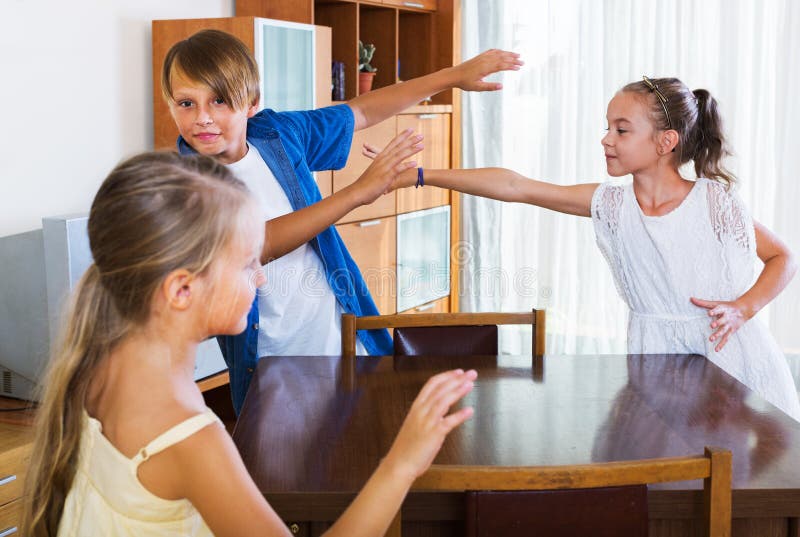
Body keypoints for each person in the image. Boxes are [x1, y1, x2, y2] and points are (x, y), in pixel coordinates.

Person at [21, 152, 478, 537]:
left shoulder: (96, 370)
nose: (260, 277)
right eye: (246, 265)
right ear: (181, 290)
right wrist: (401, 463)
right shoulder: (191, 439)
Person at [371, 76, 800, 420]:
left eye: (622, 130)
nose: (606, 139)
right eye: (608, 126)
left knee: (748, 494)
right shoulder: (612, 205)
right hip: (656, 361)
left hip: (731, 360)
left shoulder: (713, 202)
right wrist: (420, 176)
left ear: (666, 142)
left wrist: (743, 306)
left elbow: (783, 257)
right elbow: (516, 186)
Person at [161, 29, 521, 413]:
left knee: (358, 452)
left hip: (343, 338)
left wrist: (452, 75)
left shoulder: (278, 135)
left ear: (251, 103)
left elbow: (362, 111)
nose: (202, 118)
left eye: (218, 100)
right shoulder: (182, 184)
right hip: (270, 366)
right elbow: (254, 246)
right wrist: (356, 194)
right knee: (286, 468)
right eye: (186, 103)